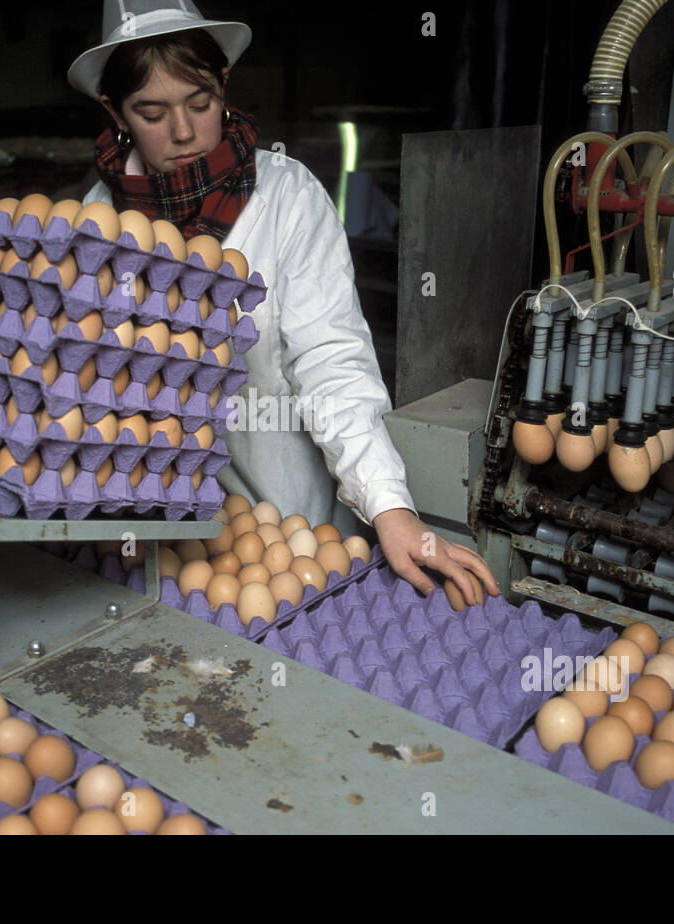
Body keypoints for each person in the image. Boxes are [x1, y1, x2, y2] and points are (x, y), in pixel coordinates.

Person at [67, 0, 497, 604]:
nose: (185, 132)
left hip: (300, 533)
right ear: (115, 112)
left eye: (201, 102)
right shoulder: (94, 223)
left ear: (224, 86)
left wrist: (391, 508)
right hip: (170, 538)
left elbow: (330, 361)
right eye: (152, 112)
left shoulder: (285, 198)